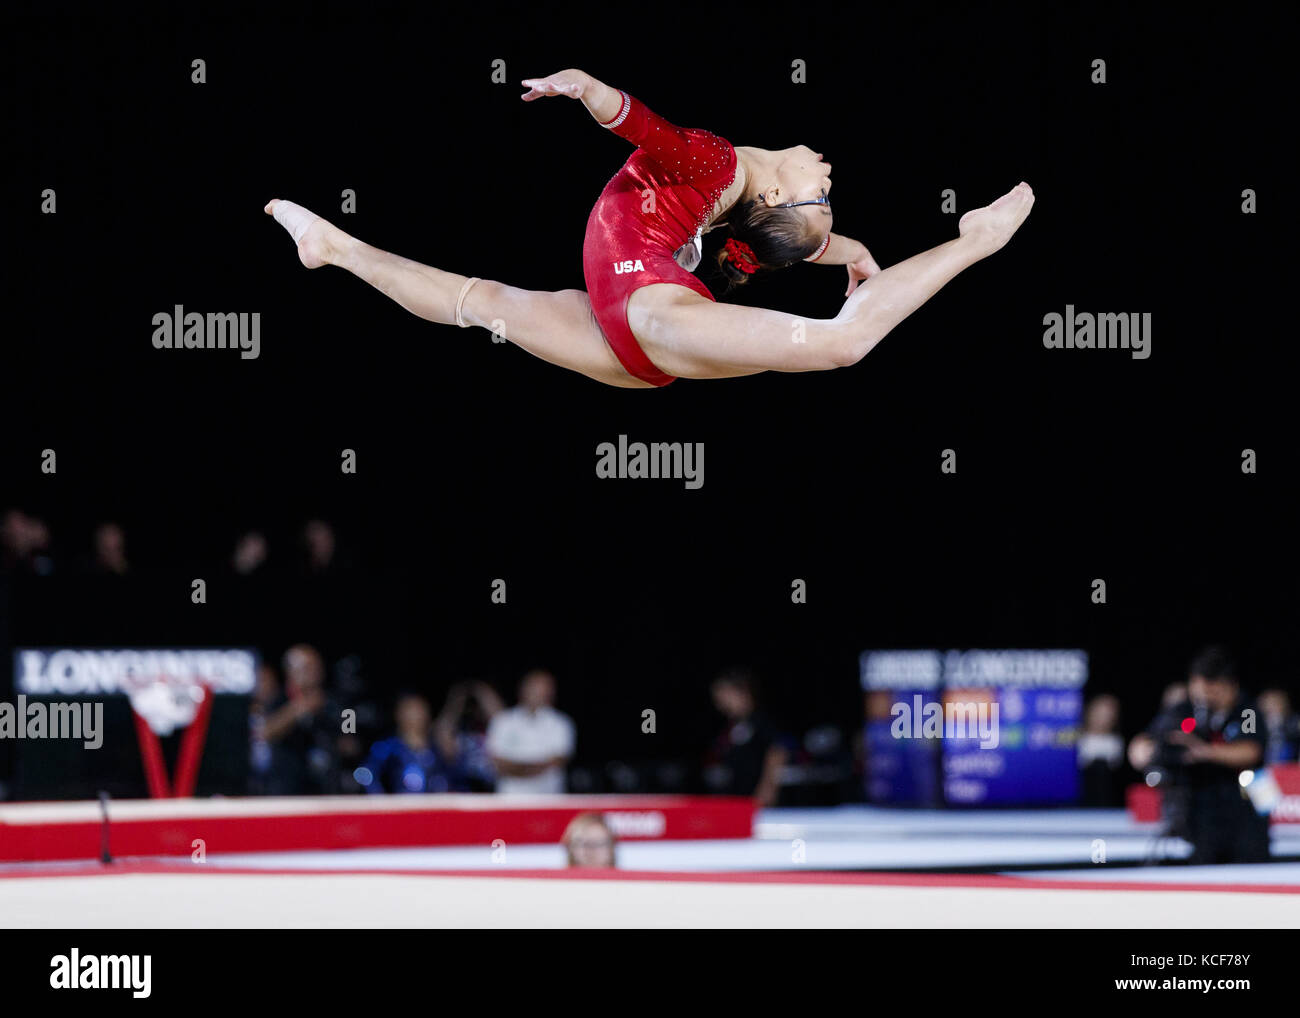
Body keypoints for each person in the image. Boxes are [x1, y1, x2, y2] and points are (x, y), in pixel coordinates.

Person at [265, 68, 1033, 388]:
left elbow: (651, 133)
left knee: (841, 341)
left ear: (776, 196)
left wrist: (590, 91)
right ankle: (334, 247)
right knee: (478, 300)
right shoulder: (733, 201)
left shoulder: (721, 165)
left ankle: (975, 243)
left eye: (821, 197)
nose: (829, 180)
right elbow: (784, 234)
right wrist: (848, 249)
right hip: (626, 343)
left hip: (646, 312)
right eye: (828, 194)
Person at [1128, 646, 1270, 864]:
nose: (1206, 698)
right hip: (1202, 809)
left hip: (1246, 807)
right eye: (1199, 689)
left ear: (1230, 685)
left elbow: (1251, 751)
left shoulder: (1248, 711)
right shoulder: (1183, 709)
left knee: (1249, 862)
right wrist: (1147, 751)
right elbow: (1142, 744)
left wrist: (1204, 752)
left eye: (1213, 690)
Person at [703, 668, 789, 807]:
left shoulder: (761, 721)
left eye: (724, 695)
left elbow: (777, 751)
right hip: (736, 800)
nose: (719, 702)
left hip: (757, 801)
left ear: (743, 692)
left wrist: (767, 788)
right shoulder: (730, 726)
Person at [485, 670, 575, 795]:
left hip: (549, 799)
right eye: (535, 687)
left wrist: (517, 768)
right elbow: (497, 762)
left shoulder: (561, 723)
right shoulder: (503, 721)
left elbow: (557, 761)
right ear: (523, 688)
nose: (540, 692)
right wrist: (536, 766)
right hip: (510, 798)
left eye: (546, 688)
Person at [357, 692, 457, 793]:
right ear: (398, 714)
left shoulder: (437, 747)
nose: (416, 716)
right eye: (410, 710)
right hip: (403, 805)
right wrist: (380, 801)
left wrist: (452, 758)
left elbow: (451, 779)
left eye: (420, 710)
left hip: (436, 805)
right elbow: (366, 772)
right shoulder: (389, 746)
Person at [434, 680, 504, 791]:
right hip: (463, 788)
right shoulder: (458, 732)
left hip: (491, 787)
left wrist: (480, 691)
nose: (476, 710)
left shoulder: (497, 729)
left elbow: (502, 718)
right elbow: (443, 732)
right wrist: (456, 701)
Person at [1077, 693, 1126, 807]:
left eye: (1109, 714)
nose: (1104, 718)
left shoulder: (1116, 742)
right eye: (1100, 713)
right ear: (1090, 711)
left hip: (1106, 802)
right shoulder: (1075, 738)